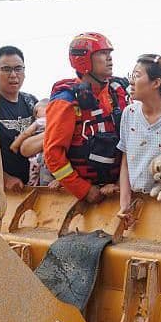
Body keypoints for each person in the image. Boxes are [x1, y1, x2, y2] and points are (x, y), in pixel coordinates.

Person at [44, 32, 130, 203]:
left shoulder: (118, 92)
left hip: (117, 189)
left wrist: (122, 183)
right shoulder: (66, 101)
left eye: (110, 54)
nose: (109, 59)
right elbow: (53, 154)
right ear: (83, 60)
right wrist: (82, 189)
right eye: (102, 54)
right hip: (85, 194)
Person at [116, 54, 161, 226]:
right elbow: (126, 163)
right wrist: (124, 204)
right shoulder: (129, 113)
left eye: (137, 76)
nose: (131, 82)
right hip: (137, 207)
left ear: (156, 83)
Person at [0, 45, 37, 192]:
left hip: (35, 186)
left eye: (18, 69)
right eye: (6, 69)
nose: (13, 75)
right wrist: (5, 178)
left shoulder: (32, 103)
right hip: (2, 191)